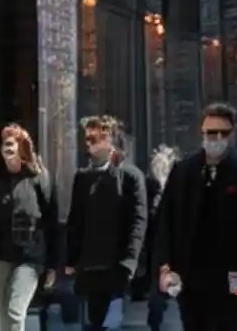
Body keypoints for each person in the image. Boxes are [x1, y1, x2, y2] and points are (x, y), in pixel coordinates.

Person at [154, 102, 237, 331]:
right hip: (189, 274)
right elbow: (164, 222)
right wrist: (165, 266)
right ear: (202, 133)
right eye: (211, 132)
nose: (217, 138)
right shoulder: (183, 171)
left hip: (232, 274)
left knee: (227, 324)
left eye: (223, 133)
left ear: (232, 134)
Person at [0, 124, 59, 331]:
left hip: (29, 257)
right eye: (4, 144)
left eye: (12, 143)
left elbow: (51, 221)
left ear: (23, 147)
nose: (7, 147)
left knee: (14, 312)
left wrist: (53, 265)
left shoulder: (38, 178)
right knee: (5, 315)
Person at [66, 115, 148, 331]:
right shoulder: (82, 177)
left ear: (110, 140)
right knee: (92, 323)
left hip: (117, 266)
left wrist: (130, 260)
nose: (91, 143)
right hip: (89, 266)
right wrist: (71, 259)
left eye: (97, 137)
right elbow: (76, 220)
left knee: (115, 323)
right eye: (88, 138)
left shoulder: (130, 175)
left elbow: (137, 221)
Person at [143, 145, 180, 331]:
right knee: (157, 298)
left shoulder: (180, 190)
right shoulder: (151, 188)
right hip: (158, 250)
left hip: (176, 250)